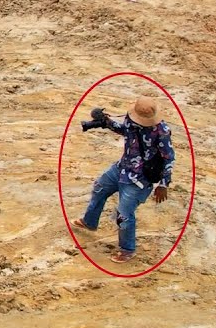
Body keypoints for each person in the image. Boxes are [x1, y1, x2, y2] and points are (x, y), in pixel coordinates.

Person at [72, 96, 175, 263]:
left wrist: (164, 184)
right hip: (121, 168)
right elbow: (124, 130)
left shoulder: (161, 131)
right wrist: (105, 121)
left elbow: (168, 158)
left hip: (139, 180)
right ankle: (89, 221)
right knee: (99, 187)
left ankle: (127, 249)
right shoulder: (131, 119)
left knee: (123, 215)